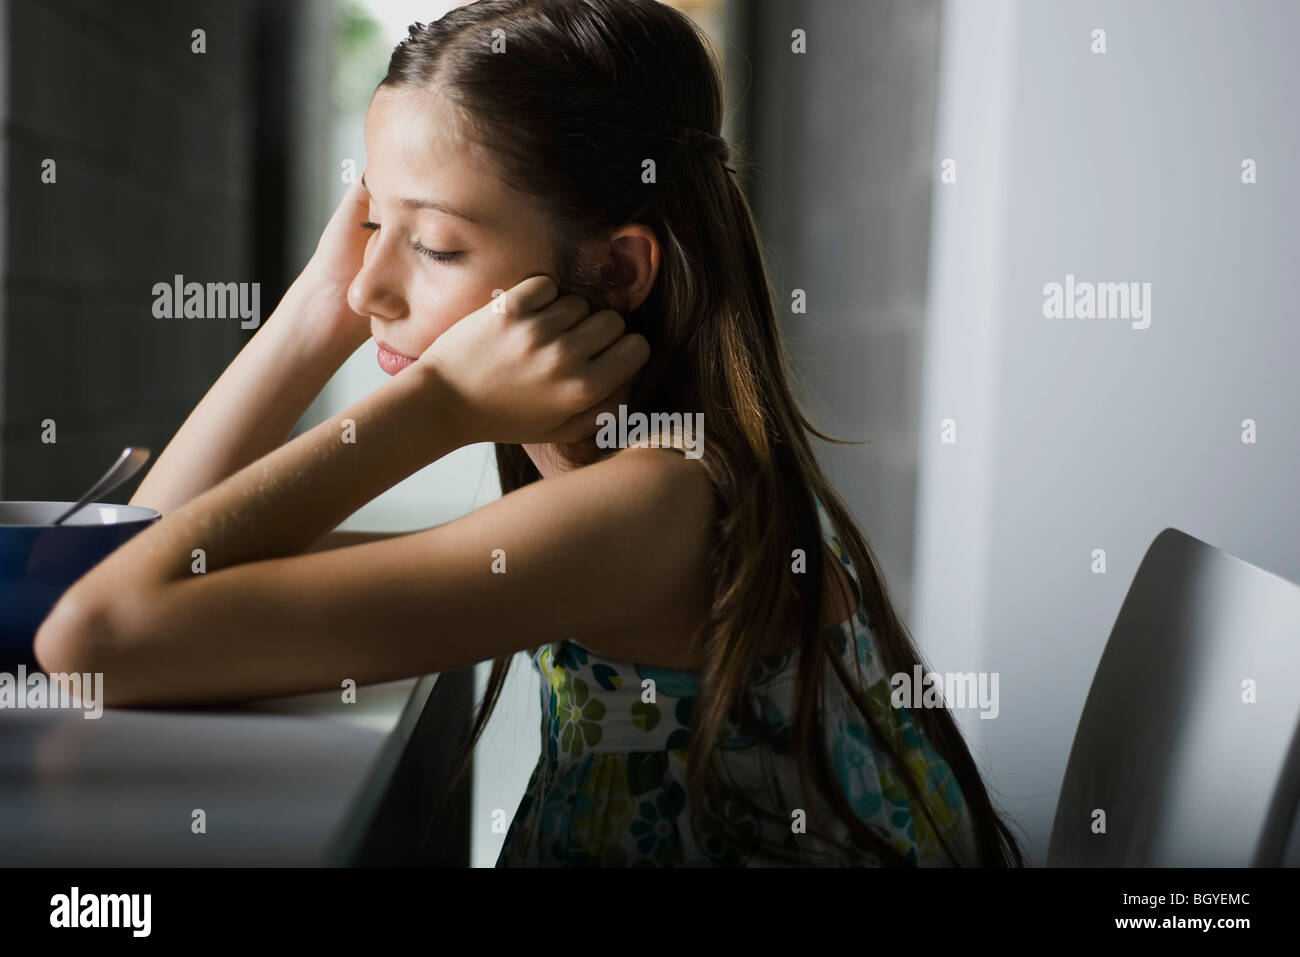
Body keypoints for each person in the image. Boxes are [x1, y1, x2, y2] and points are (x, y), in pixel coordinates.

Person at [35, 0, 1025, 868]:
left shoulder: (657, 507)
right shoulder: (632, 481)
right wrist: (311, 314)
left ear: (616, 274)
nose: (370, 287)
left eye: (432, 244)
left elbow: (94, 632)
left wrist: (435, 408)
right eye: (370, 227)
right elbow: (138, 554)